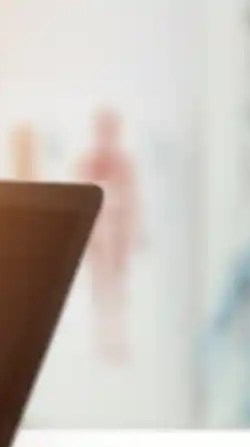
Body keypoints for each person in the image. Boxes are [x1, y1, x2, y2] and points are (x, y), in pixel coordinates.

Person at [77, 108, 139, 363]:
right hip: (99, 242)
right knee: (101, 292)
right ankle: (103, 343)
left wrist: (132, 233)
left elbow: (133, 201)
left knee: (118, 291)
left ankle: (117, 341)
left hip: (118, 241)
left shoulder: (124, 165)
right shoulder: (89, 163)